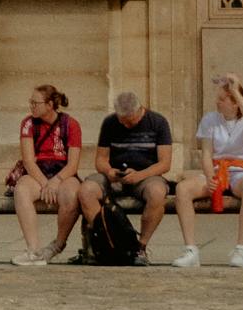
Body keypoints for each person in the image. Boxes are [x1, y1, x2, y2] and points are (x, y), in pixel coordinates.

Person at [77, 91, 196, 266]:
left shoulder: (158, 122)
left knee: (157, 192)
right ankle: (107, 241)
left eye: (129, 121)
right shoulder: (110, 123)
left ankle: (140, 246)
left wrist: (140, 175)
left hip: (146, 176)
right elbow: (100, 159)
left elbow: (164, 163)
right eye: (121, 121)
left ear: (139, 111)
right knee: (86, 190)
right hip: (116, 176)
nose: (125, 124)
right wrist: (110, 171)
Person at [184, 74, 243, 267]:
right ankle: (190, 249)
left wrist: (235, 90)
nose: (217, 103)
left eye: (222, 100)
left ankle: (241, 248)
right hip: (217, 168)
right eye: (217, 99)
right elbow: (206, 153)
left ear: (235, 103)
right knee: (182, 189)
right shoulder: (210, 119)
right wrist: (210, 177)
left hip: (239, 170)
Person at [8, 81, 82, 265]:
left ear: (49, 105)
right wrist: (45, 183)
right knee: (22, 190)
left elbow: (73, 165)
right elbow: (28, 160)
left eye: (35, 103)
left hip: (63, 172)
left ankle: (58, 244)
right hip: (38, 171)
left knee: (72, 194)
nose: (31, 106)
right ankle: (33, 250)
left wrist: (56, 181)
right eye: (30, 102)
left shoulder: (71, 125)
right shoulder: (28, 123)